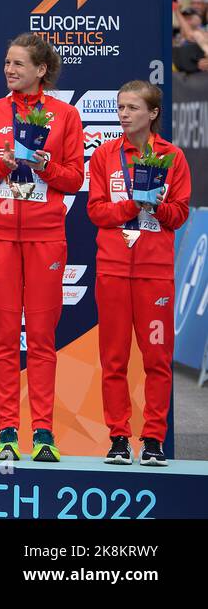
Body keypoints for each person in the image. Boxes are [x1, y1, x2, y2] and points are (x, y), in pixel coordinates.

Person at [0, 33, 82, 462]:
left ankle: (45, 434)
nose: (9, 70)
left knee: (40, 338)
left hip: (45, 236)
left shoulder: (65, 116)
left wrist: (44, 164)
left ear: (41, 70)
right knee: (2, 339)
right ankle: (7, 432)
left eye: (18, 64)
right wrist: (3, 162)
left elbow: (73, 180)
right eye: (6, 62)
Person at [87, 80, 190, 466]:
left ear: (153, 113)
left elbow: (178, 216)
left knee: (157, 361)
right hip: (112, 271)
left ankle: (153, 440)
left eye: (132, 107)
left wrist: (158, 206)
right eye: (120, 107)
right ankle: (118, 438)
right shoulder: (105, 156)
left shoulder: (173, 157)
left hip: (154, 274)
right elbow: (96, 211)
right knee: (114, 360)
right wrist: (132, 205)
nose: (124, 114)